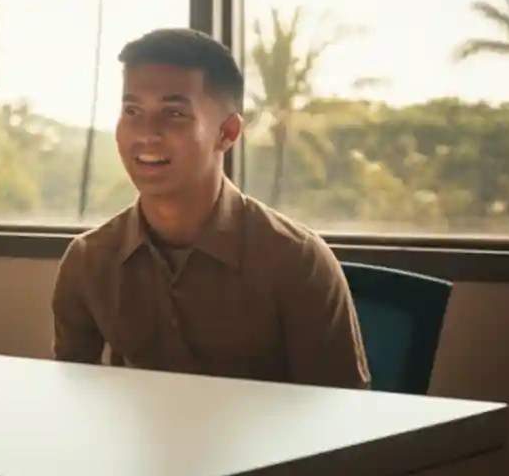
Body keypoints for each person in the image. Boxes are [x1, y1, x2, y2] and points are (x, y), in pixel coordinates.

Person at [51, 28, 370, 389]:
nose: (147, 133)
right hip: (140, 445)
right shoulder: (89, 261)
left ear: (227, 133)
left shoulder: (296, 260)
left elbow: (341, 417)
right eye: (132, 110)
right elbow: (74, 401)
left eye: (173, 113)